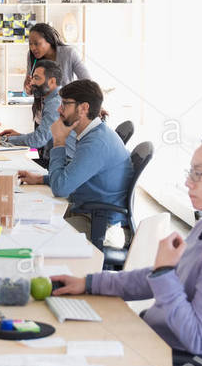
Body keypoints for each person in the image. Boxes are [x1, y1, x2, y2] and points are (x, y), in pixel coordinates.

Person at [52, 127, 202, 366]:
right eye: (190, 172)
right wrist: (89, 282)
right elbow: (157, 278)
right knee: (64, 337)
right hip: (156, 342)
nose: (189, 182)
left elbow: (196, 338)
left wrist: (165, 271)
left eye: (200, 174)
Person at [19, 78, 130, 244]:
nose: (59, 109)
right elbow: (73, 175)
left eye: (65, 104)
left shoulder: (96, 143)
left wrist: (59, 142)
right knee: (27, 218)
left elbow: (61, 188)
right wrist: (41, 179)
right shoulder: (92, 134)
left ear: (84, 108)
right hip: (86, 208)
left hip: (97, 223)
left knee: (34, 238)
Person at [0, 58, 61, 158]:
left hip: (55, 164)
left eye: (36, 78)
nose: (31, 83)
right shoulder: (53, 100)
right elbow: (43, 136)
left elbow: (38, 140)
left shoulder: (54, 104)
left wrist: (3, 140)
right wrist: (19, 136)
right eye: (32, 78)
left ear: (52, 81)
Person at [20, 22, 90, 91]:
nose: (32, 48)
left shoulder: (69, 53)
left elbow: (87, 82)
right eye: (30, 44)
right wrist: (28, 88)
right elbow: (29, 90)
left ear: (49, 40)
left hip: (65, 101)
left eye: (36, 43)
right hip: (43, 102)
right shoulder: (31, 56)